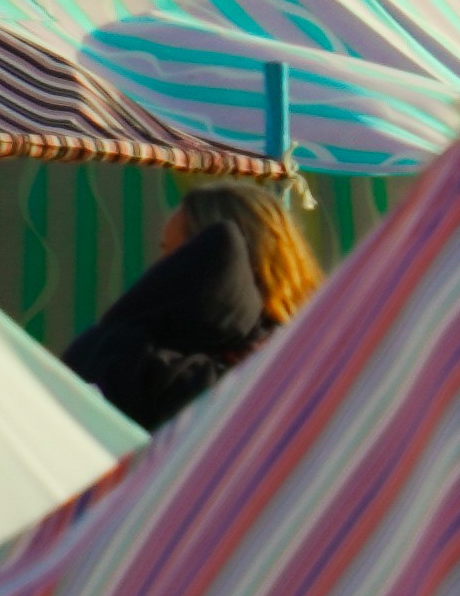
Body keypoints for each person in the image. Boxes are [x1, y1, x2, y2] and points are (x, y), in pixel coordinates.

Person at [63, 180, 313, 430]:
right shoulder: (312, 352)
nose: (160, 270)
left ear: (219, 262)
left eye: (175, 254)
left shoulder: (155, 366)